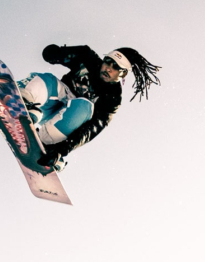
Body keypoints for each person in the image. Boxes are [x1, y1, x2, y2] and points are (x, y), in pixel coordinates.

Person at [17, 45, 161, 171]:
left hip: (62, 122)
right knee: (48, 78)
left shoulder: (112, 98)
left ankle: (46, 143)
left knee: (84, 107)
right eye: (108, 62)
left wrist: (61, 151)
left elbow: (91, 129)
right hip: (48, 104)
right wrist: (53, 53)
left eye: (115, 67)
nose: (108, 69)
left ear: (123, 74)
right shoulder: (87, 58)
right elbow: (56, 55)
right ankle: (23, 101)